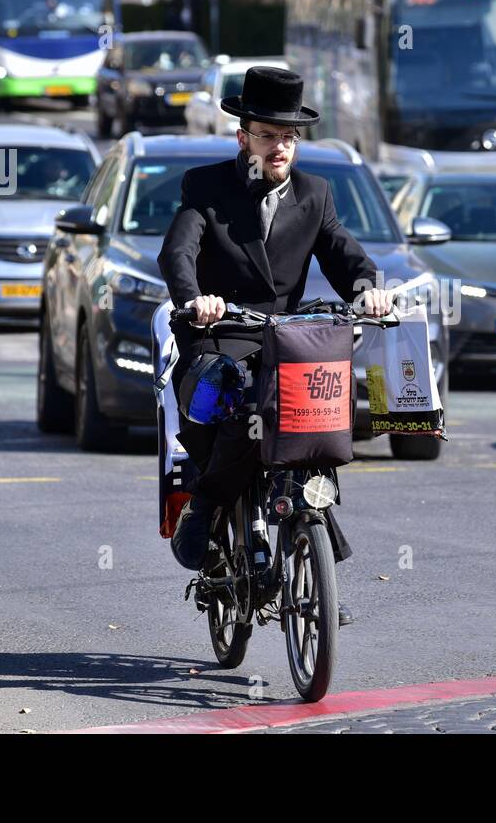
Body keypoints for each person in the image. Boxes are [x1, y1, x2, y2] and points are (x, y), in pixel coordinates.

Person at [157, 66, 394, 627]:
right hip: (221, 335)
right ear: (243, 137)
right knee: (239, 408)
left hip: (285, 340)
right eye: (267, 133)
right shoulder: (206, 186)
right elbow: (178, 252)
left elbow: (343, 254)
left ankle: (316, 549)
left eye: (288, 136)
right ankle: (207, 504)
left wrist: (369, 292)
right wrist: (196, 299)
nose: (280, 145)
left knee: (318, 416)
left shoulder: (316, 194)